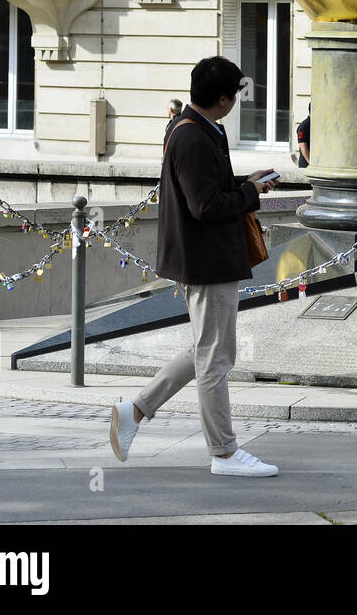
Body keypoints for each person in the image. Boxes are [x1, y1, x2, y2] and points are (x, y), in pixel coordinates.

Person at [109, 56, 280, 477]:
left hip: (205, 258)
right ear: (223, 99)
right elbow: (205, 206)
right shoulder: (193, 138)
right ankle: (223, 452)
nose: (238, 101)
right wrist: (251, 194)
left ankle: (134, 411)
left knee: (208, 350)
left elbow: (209, 191)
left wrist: (245, 184)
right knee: (216, 360)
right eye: (237, 95)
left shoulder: (199, 129)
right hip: (206, 261)